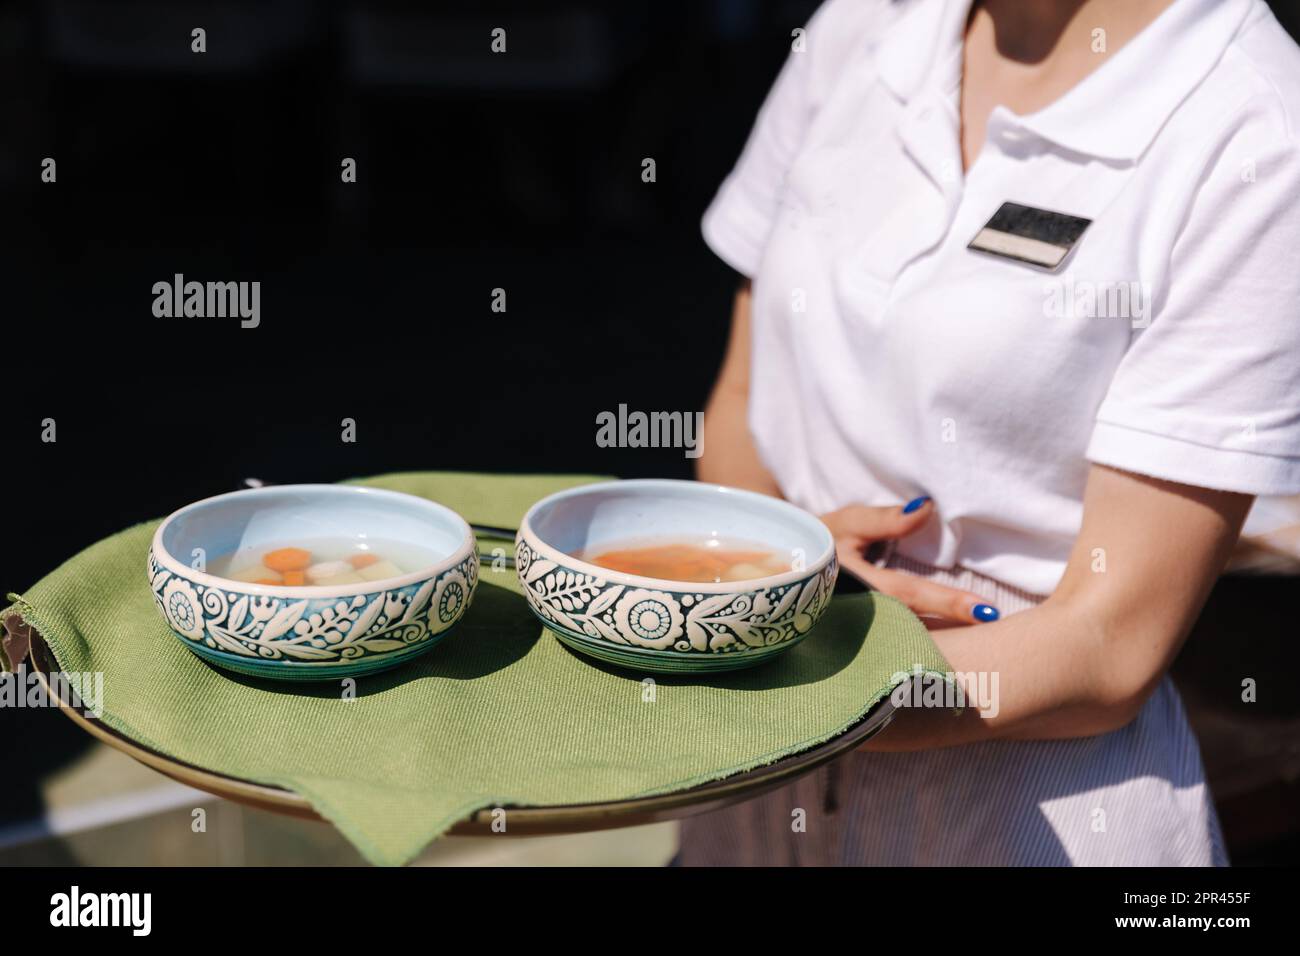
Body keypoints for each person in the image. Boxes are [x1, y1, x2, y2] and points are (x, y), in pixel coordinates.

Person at [682, 0, 1300, 865]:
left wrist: (751, 684)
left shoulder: (1257, 129)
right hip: (746, 815)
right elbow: (745, 391)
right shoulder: (861, 22)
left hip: (1032, 819)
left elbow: (1110, 644)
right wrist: (764, 572)